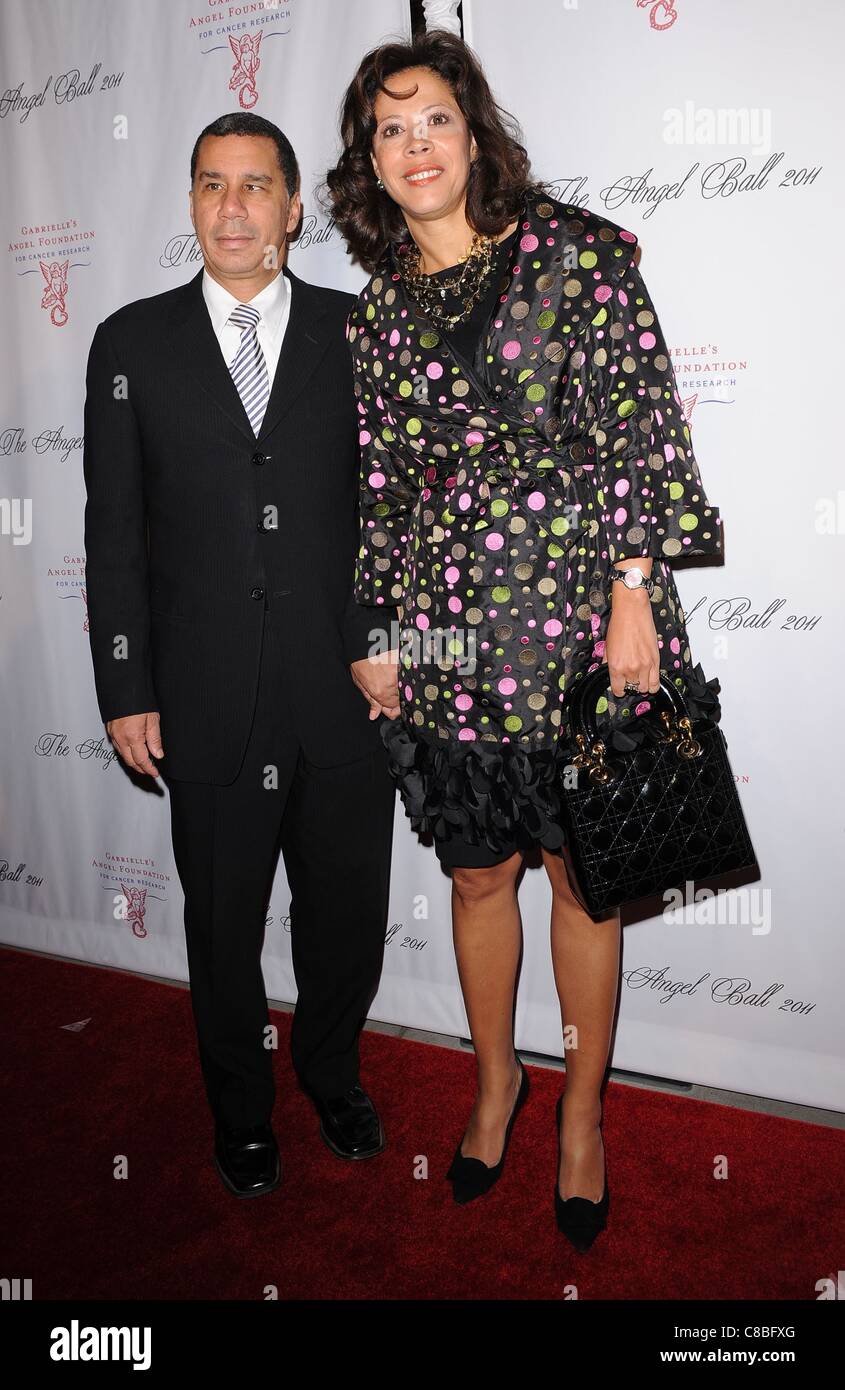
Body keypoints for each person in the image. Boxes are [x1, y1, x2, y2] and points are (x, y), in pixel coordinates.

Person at [325, 30, 723, 1249]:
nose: (415, 145)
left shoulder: (580, 255)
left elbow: (639, 424)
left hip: (579, 608)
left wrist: (631, 591)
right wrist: (377, 626)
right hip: (449, 627)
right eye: (389, 129)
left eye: (432, 117)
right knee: (475, 872)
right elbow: (385, 484)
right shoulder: (376, 314)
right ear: (370, 165)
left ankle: (583, 1113)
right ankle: (495, 1080)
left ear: (473, 129)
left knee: (581, 872)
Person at [82, 112, 401, 1199]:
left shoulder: (359, 332)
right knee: (221, 929)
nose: (232, 207)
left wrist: (389, 646)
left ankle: (332, 1074)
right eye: (212, 184)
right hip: (206, 697)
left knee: (346, 915)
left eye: (256, 185)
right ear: (189, 203)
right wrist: (125, 684)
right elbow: (113, 534)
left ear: (293, 206)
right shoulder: (130, 344)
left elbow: (398, 517)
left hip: (344, 693)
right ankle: (240, 1112)